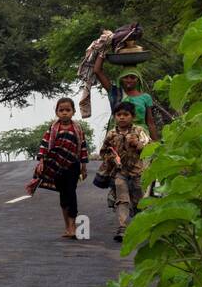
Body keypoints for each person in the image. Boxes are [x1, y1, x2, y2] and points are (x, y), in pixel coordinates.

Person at [28, 98, 89, 239]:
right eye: (61, 110)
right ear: (56, 112)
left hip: (73, 166)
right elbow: (44, 146)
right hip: (56, 166)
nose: (64, 113)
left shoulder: (78, 129)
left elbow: (83, 148)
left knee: (71, 193)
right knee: (63, 195)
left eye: (68, 110)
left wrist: (83, 167)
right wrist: (42, 161)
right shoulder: (53, 128)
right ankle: (67, 226)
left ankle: (73, 226)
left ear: (73, 112)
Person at [99, 101, 150, 241]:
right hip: (119, 172)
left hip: (138, 172)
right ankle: (122, 227)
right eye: (119, 114)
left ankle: (141, 227)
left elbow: (149, 148)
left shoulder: (139, 131)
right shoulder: (111, 134)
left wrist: (137, 144)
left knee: (139, 200)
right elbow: (103, 152)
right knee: (122, 199)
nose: (122, 117)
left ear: (132, 116)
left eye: (125, 114)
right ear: (115, 116)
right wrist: (111, 158)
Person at [92, 60, 159, 141]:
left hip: (141, 137)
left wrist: (156, 144)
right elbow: (97, 71)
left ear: (138, 79)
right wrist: (101, 53)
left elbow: (150, 122)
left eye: (132, 77)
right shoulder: (115, 93)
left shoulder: (145, 97)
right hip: (118, 137)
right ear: (121, 78)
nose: (129, 80)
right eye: (126, 77)